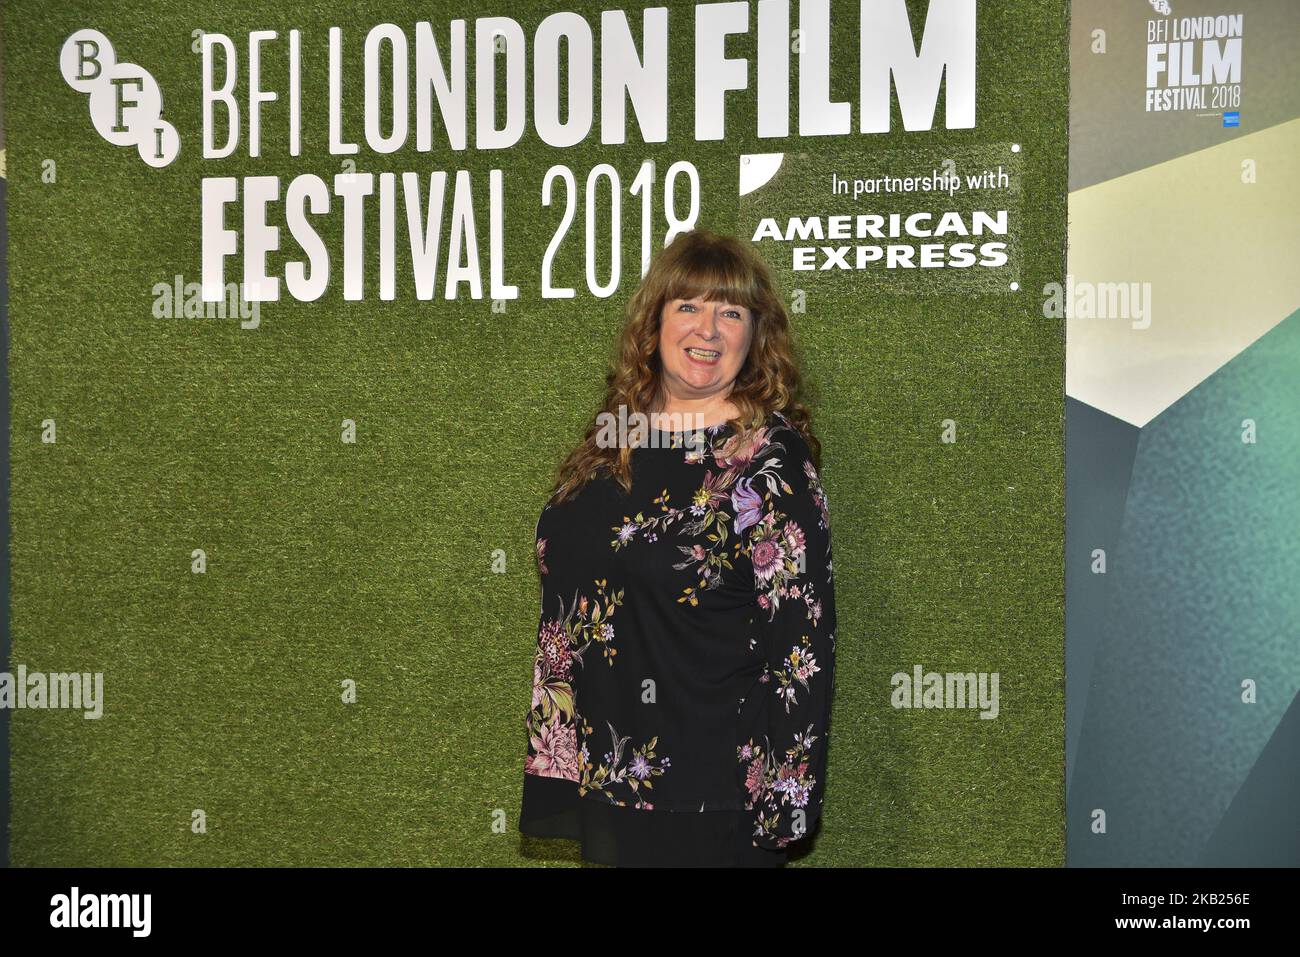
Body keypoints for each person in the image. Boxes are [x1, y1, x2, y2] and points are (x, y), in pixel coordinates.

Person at [518, 228, 836, 867]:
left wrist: (788, 794)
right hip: (609, 773)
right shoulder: (612, 439)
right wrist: (558, 748)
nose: (708, 330)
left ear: (755, 336)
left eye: (731, 312)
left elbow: (803, 638)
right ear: (655, 321)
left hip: (715, 792)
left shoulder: (767, 460)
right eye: (688, 306)